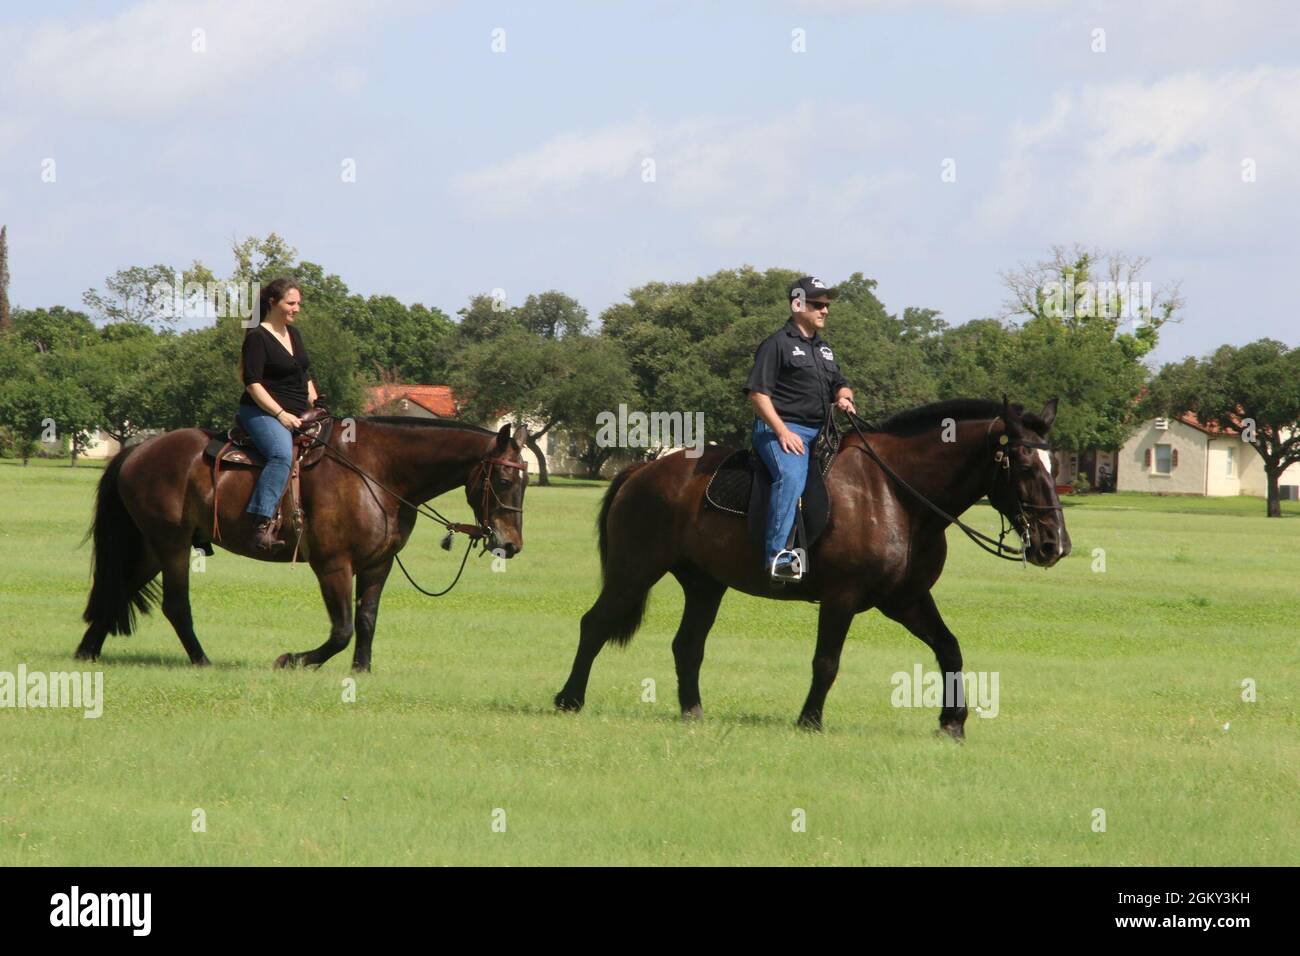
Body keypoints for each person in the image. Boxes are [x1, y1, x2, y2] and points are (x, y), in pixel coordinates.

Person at [743, 276, 856, 582]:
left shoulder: (824, 349)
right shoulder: (776, 344)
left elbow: (839, 383)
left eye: (827, 305)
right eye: (818, 304)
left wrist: (844, 396)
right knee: (791, 476)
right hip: (780, 430)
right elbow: (758, 395)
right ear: (797, 305)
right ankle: (777, 557)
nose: (825, 311)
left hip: (820, 433)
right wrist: (782, 432)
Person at [236, 278, 320, 550]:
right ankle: (260, 523)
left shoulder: (293, 334)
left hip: (298, 412)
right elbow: (253, 383)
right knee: (281, 455)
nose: (296, 309)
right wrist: (281, 414)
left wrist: (318, 406)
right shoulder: (257, 337)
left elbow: (303, 374)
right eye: (291, 303)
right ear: (273, 303)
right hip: (261, 412)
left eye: (298, 304)